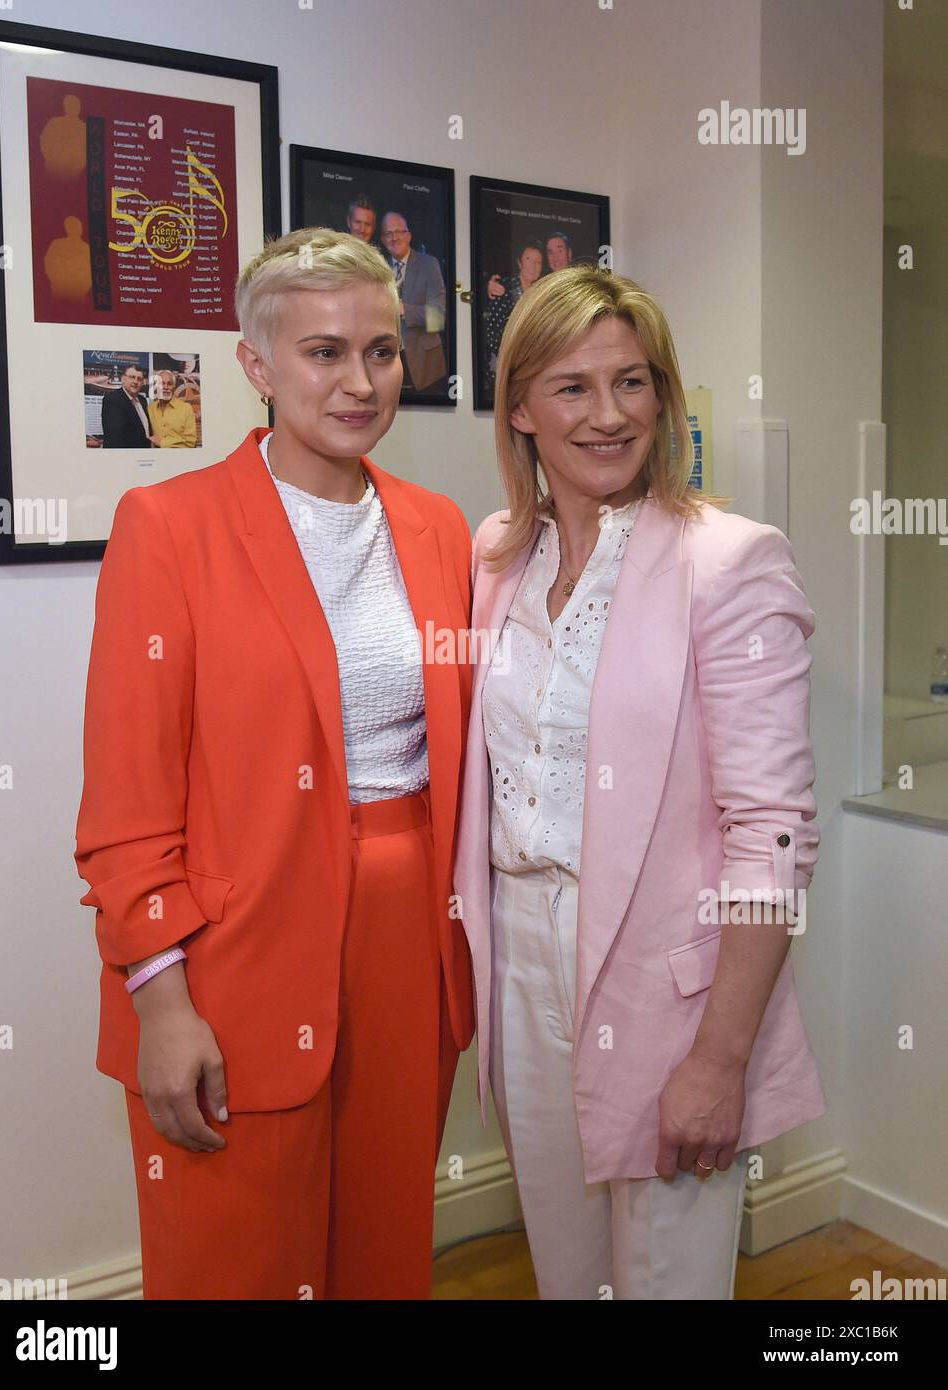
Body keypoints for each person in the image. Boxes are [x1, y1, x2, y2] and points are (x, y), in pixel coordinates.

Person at [74, 226, 475, 1300]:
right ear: (256, 365)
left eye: (382, 352)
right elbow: (125, 798)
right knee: (234, 1264)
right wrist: (161, 1000)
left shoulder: (438, 529)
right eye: (325, 353)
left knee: (384, 1251)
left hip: (405, 944)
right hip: (231, 956)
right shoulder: (168, 526)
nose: (360, 381)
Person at [453, 264, 825, 1300]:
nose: (608, 414)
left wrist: (718, 1058)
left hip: (668, 982)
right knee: (566, 1276)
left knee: (664, 1281)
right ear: (520, 408)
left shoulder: (729, 561)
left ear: (662, 394)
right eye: (571, 387)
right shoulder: (496, 559)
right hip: (524, 959)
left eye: (632, 382)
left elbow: (774, 833)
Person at [379, 212, 447, 392]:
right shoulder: (377, 269)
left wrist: (404, 310)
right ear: (383, 239)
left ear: (409, 235)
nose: (394, 238)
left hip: (425, 367)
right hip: (387, 365)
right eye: (389, 233)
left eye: (400, 232)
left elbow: (438, 317)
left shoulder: (429, 265)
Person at [483, 241, 544, 390]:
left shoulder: (543, 294)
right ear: (519, 262)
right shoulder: (503, 287)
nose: (533, 265)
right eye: (528, 259)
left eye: (538, 262)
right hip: (506, 367)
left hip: (535, 368)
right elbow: (494, 335)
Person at [101, 365, 155, 448]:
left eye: (139, 379)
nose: (135, 381)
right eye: (132, 377)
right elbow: (117, 436)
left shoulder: (142, 400)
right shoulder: (112, 399)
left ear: (142, 382)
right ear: (123, 379)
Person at [147, 369, 198, 448]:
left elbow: (190, 441)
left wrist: (163, 443)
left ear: (174, 387)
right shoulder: (150, 409)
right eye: (162, 383)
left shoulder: (186, 409)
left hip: (179, 458)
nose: (166, 387)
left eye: (169, 384)